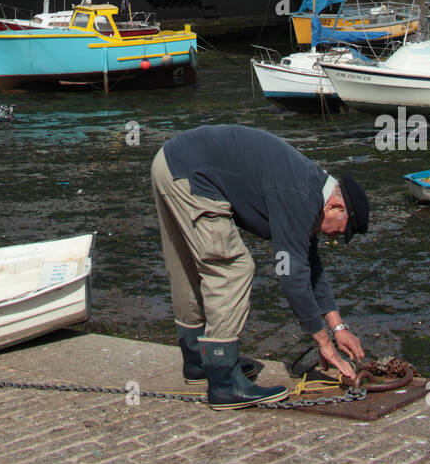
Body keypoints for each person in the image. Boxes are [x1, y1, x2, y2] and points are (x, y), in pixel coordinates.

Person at [151, 125, 369, 410]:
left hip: (171, 162)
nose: (333, 237)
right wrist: (322, 341)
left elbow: (310, 266)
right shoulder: (301, 196)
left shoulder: (310, 190)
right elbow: (290, 273)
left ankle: (198, 362)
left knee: (187, 267)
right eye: (340, 231)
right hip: (192, 175)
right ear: (336, 207)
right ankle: (225, 383)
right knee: (232, 268)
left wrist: (338, 328)